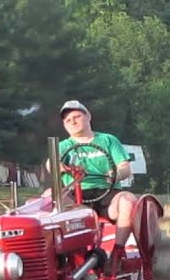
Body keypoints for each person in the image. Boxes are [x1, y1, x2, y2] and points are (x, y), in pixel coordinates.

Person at [56, 100, 137, 265]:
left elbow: (125, 168)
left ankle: (117, 252)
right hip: (78, 195)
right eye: (68, 120)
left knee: (128, 201)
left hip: (107, 192)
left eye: (77, 116)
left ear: (88, 117)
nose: (73, 122)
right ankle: (72, 258)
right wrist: (61, 167)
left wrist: (114, 174)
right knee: (52, 201)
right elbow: (52, 165)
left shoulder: (108, 140)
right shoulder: (63, 146)